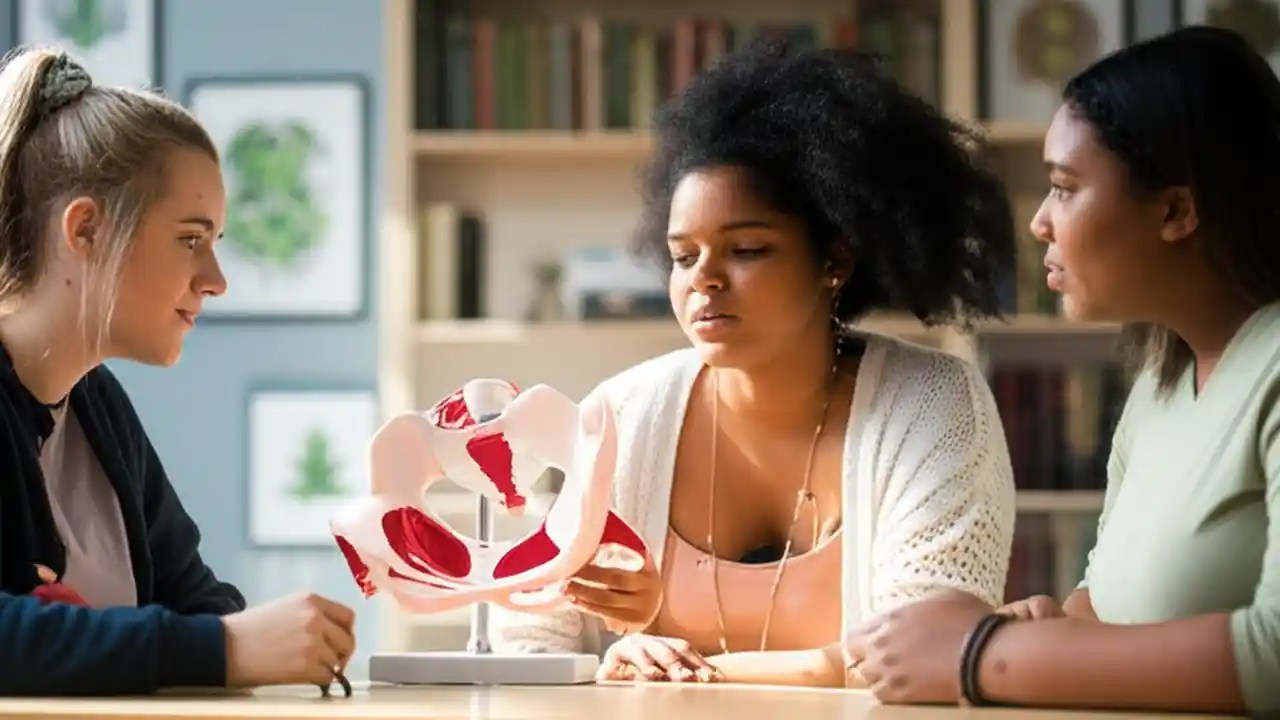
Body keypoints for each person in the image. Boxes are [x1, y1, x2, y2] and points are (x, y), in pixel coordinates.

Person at [492, 39, 1018, 688]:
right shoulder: (620, 418)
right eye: (683, 256)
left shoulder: (934, 404)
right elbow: (526, 641)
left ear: (837, 259)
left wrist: (694, 670)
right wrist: (602, 663)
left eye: (746, 248)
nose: (704, 280)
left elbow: (931, 651)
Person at [843, 25, 1280, 716]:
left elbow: (1273, 657)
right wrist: (1054, 627)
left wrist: (978, 654)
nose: (1041, 223)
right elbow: (1103, 606)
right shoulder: (1158, 387)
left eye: (1064, 187)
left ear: (1176, 210)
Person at [0, 46, 356, 696]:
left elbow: (199, 607)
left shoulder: (99, 409)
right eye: (191, 239)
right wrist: (215, 647)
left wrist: (204, 641)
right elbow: (213, 639)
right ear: (86, 231)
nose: (215, 280)